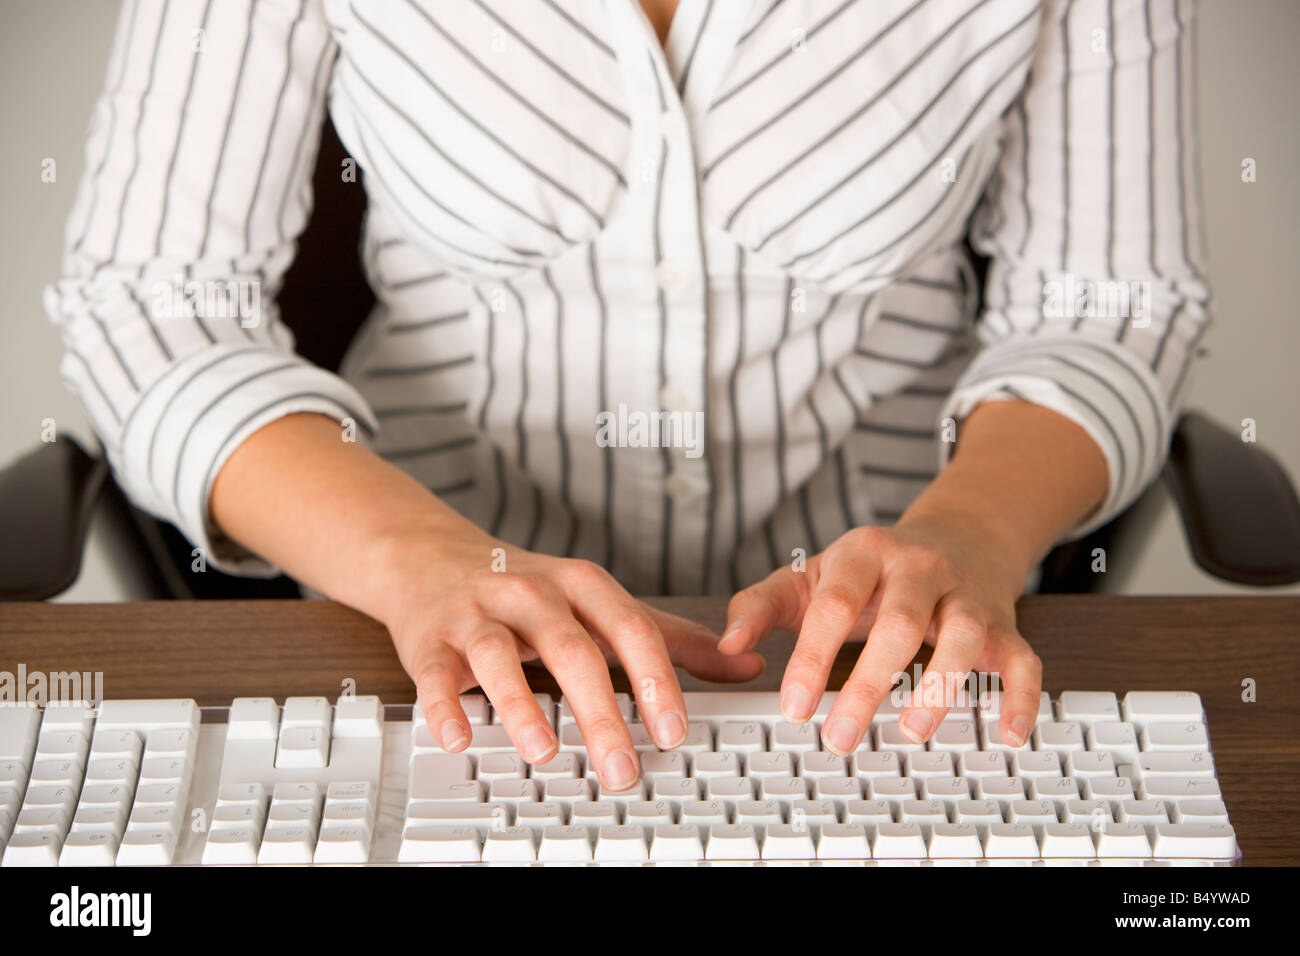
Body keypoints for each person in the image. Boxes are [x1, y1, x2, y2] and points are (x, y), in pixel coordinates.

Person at [47, 0, 1208, 792]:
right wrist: (414, 557)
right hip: (413, 648)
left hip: (878, 668)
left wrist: (969, 533)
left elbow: (1107, 300)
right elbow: (149, 297)